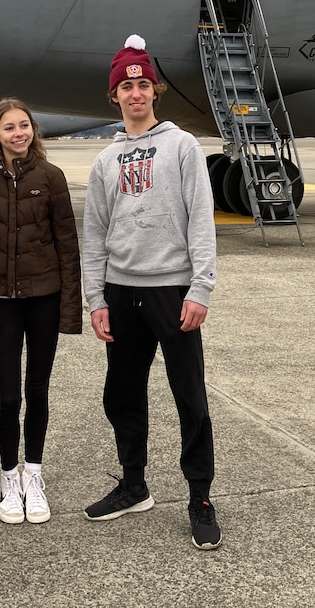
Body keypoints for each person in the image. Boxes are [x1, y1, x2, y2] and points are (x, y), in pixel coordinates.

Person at [81, 34, 222, 550]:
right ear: (114, 95)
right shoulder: (104, 161)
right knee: (122, 395)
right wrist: (95, 299)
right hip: (121, 293)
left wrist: (200, 287)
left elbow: (200, 221)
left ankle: (200, 496)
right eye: (126, 85)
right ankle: (134, 483)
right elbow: (94, 234)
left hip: (172, 290)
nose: (135, 93)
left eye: (142, 84)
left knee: (190, 396)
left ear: (154, 91)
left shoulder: (182, 146)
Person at [0, 98, 82, 525]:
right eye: (9, 127)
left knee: (38, 392)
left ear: (32, 131)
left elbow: (68, 247)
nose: (19, 133)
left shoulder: (51, 177)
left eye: (25, 126)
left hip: (44, 298)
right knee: (9, 396)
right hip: (2, 302)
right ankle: (8, 477)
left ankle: (34, 473)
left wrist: (71, 310)